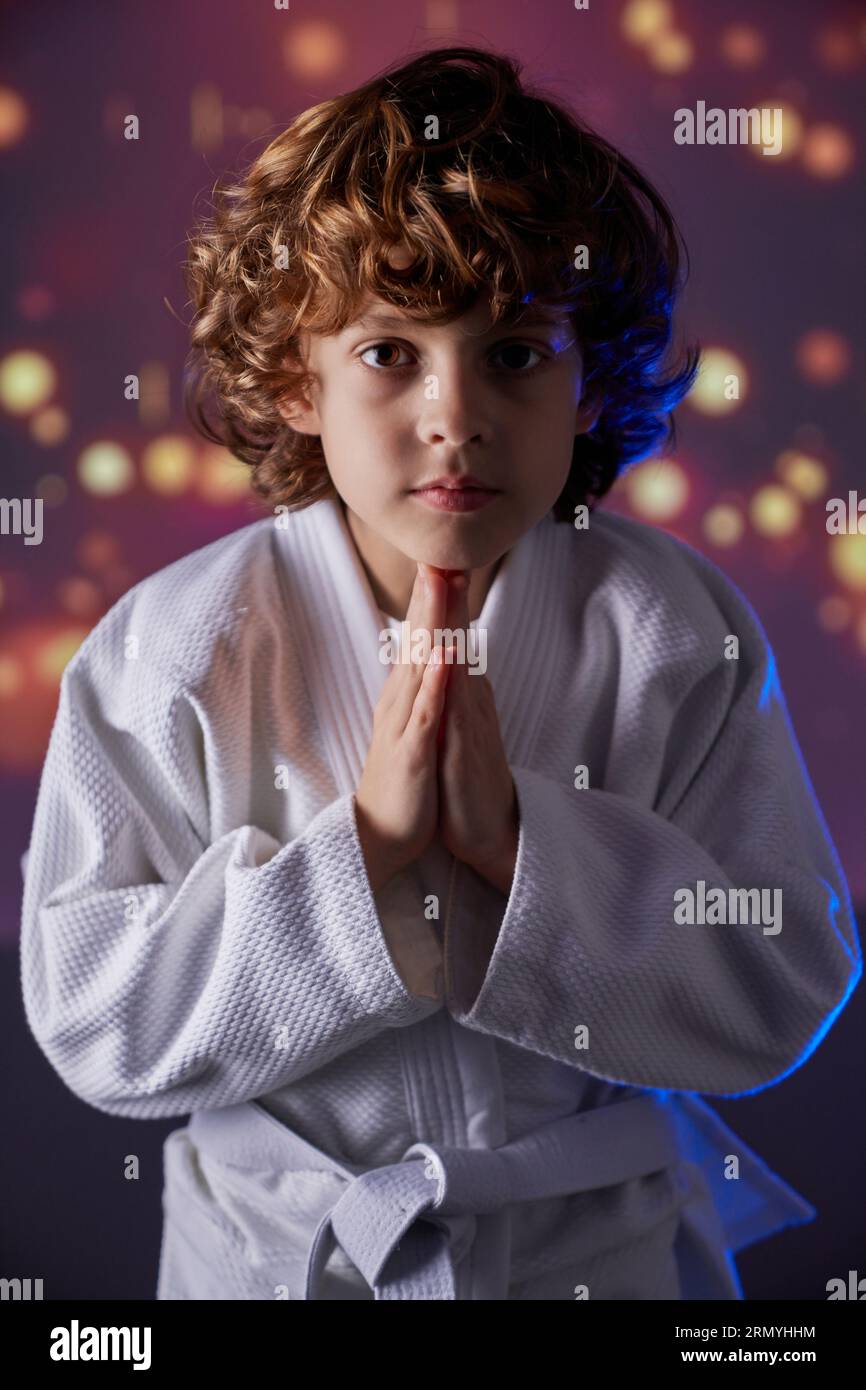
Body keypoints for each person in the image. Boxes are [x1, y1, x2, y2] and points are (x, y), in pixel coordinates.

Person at [20, 46, 860, 1300]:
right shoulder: (170, 650)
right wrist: (355, 855)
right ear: (296, 375)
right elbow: (94, 1017)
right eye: (387, 354)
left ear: (589, 378)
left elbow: (781, 977)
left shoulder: (673, 629)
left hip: (597, 1259)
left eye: (515, 352)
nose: (453, 415)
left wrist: (527, 846)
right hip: (276, 1261)